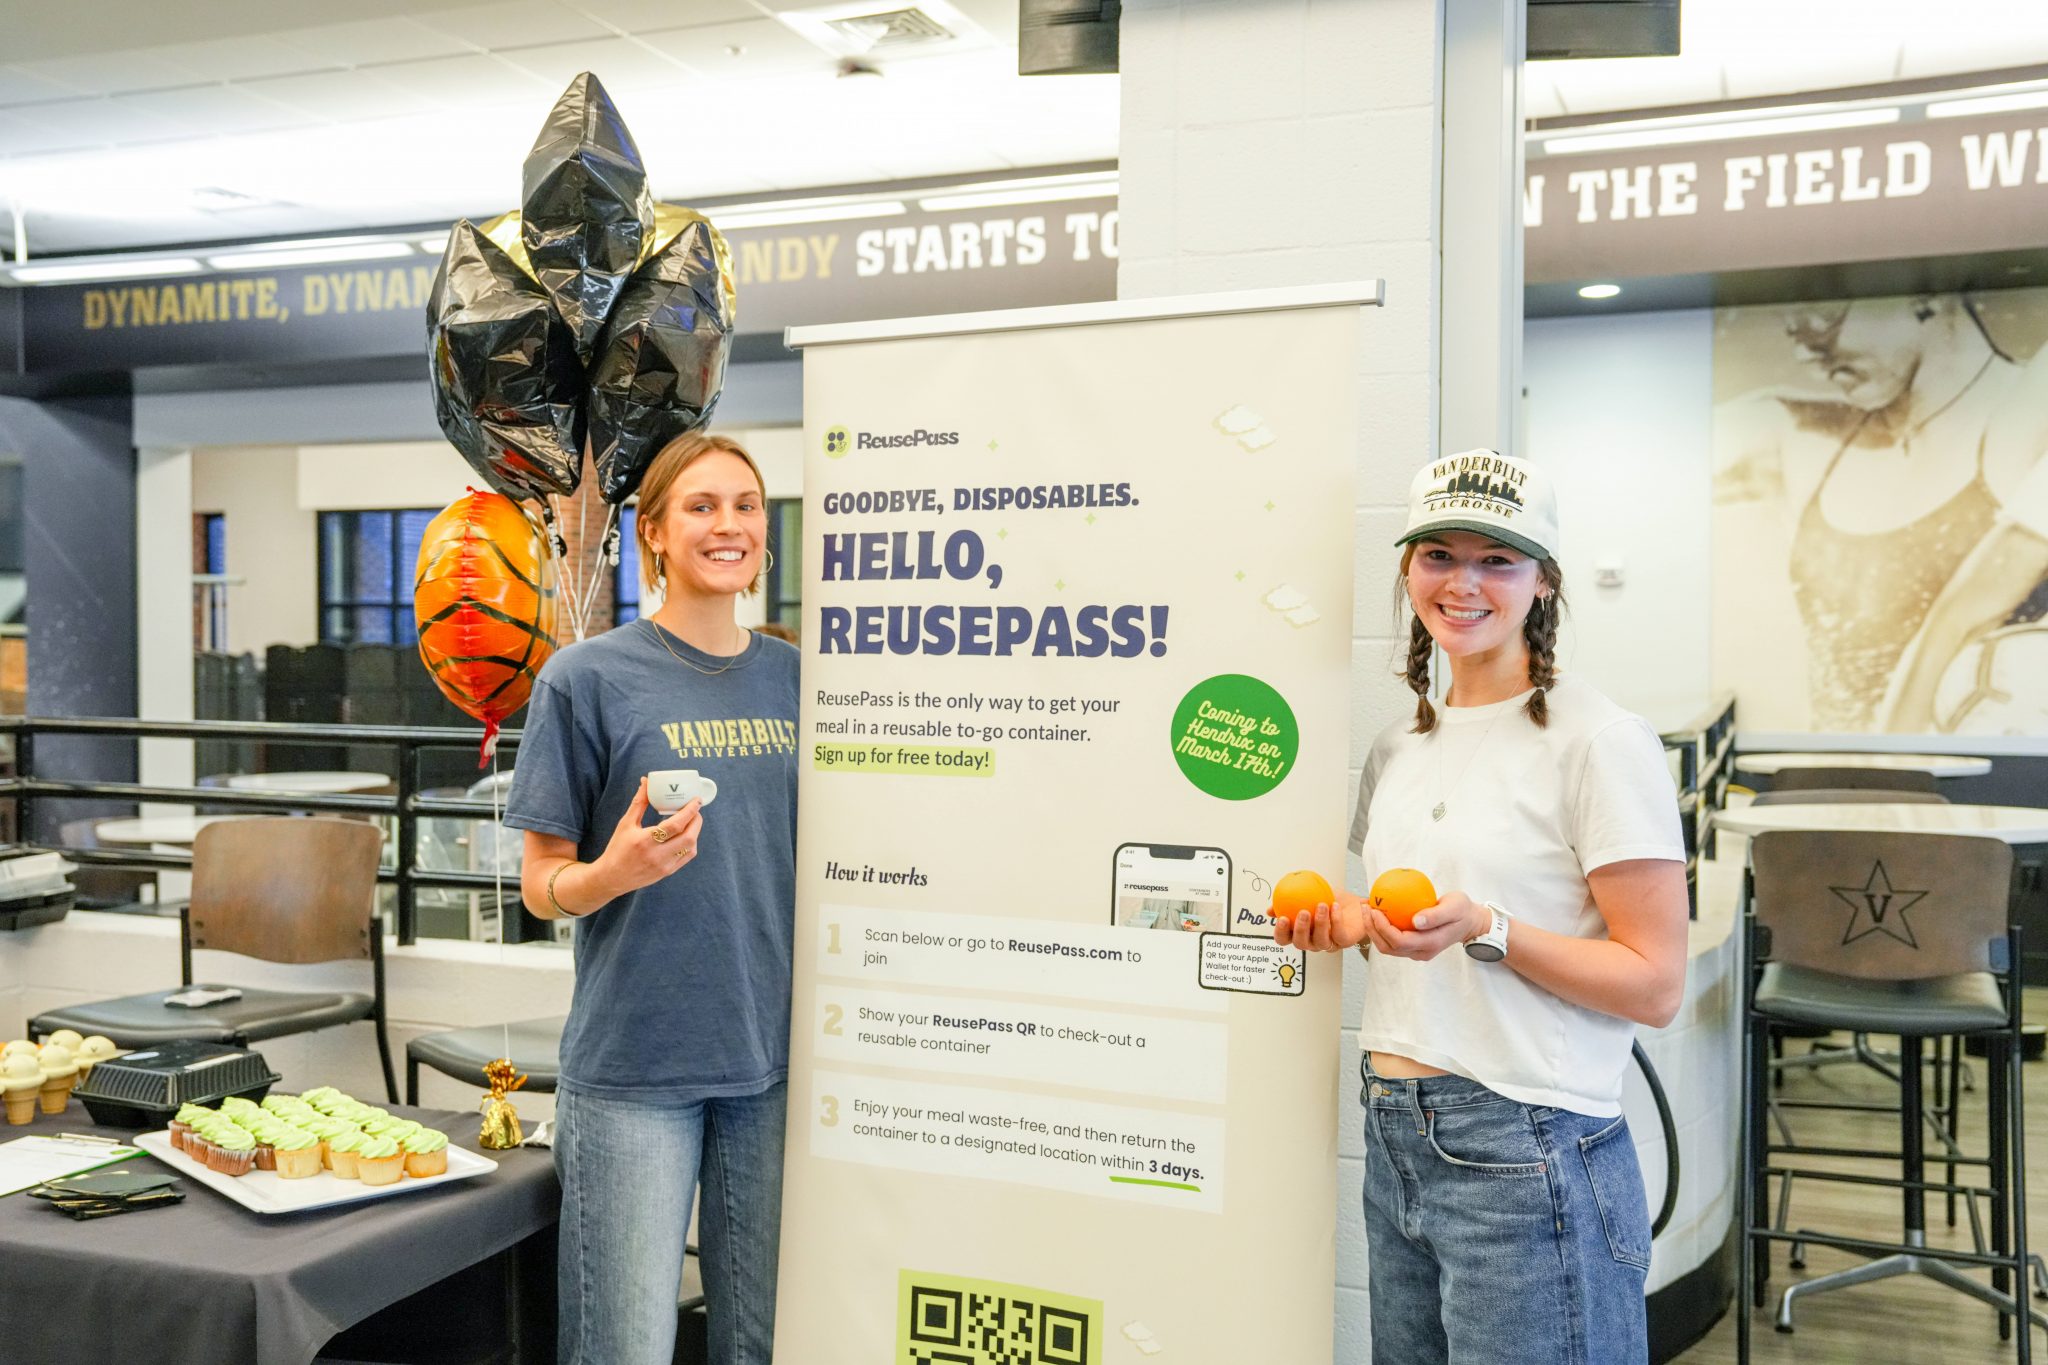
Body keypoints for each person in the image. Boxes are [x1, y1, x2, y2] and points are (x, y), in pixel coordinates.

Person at [1275, 449, 1689, 1365]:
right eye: (1439, 555)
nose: (1463, 583)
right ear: (1408, 571)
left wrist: (1490, 929)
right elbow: (1414, 935)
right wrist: (1356, 927)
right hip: (1396, 1128)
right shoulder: (1398, 745)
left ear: (1543, 583)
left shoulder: (1601, 740)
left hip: (1529, 1139)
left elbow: (1656, 982)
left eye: (1496, 559)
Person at [504, 432, 799, 1365]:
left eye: (746, 505)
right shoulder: (586, 678)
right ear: (655, 532)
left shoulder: (804, 681)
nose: (730, 525)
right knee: (623, 1345)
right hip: (636, 1069)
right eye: (703, 506)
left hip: (774, 1064)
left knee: (758, 1344)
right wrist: (613, 872)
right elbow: (542, 887)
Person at [1713, 292, 2048, 731]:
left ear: (1925, 297)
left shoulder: (2026, 414)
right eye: (1793, 330)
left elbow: (1957, 620)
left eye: (1824, 320)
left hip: (1963, 776)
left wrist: (1895, 756)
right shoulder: (1797, 437)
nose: (1805, 353)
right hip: (1836, 780)